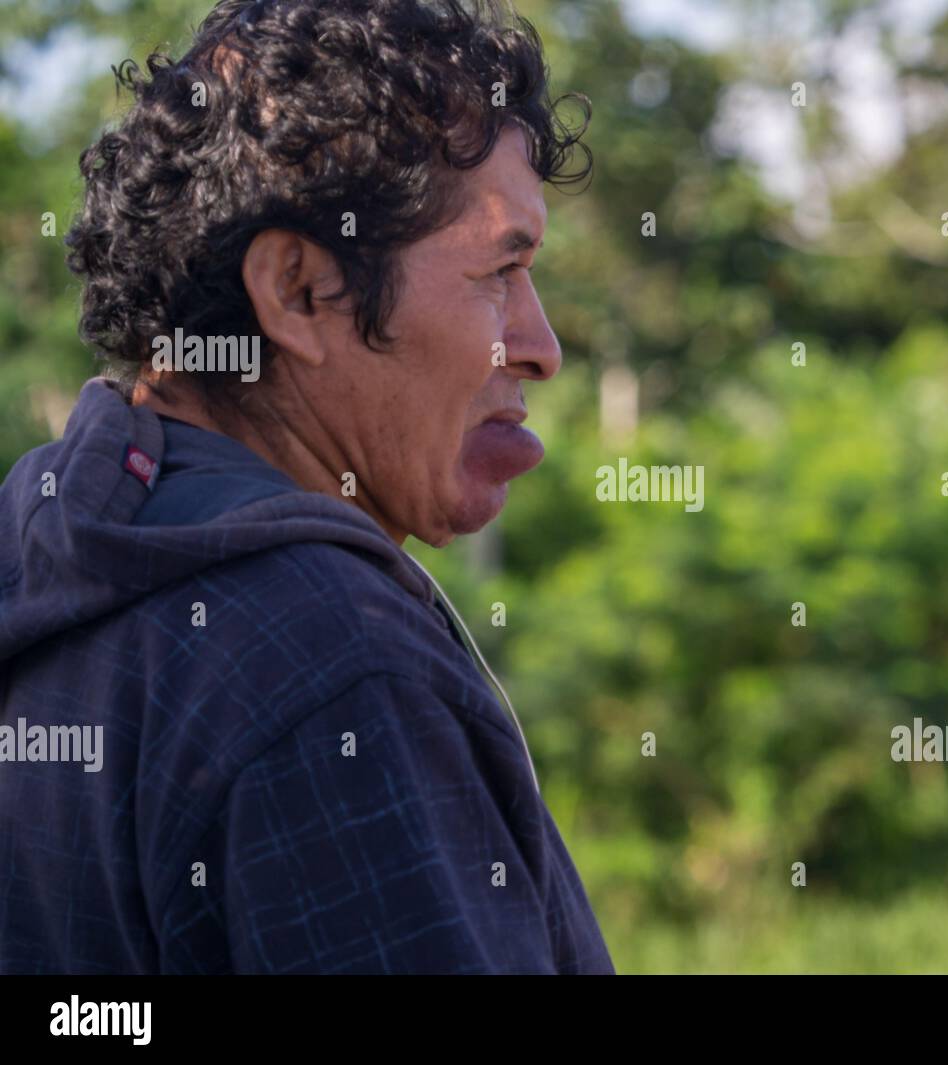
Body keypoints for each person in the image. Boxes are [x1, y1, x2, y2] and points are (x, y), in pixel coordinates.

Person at [0, 0, 614, 974]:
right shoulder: (334, 662)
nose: (540, 348)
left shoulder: (43, 544)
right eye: (501, 270)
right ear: (296, 291)